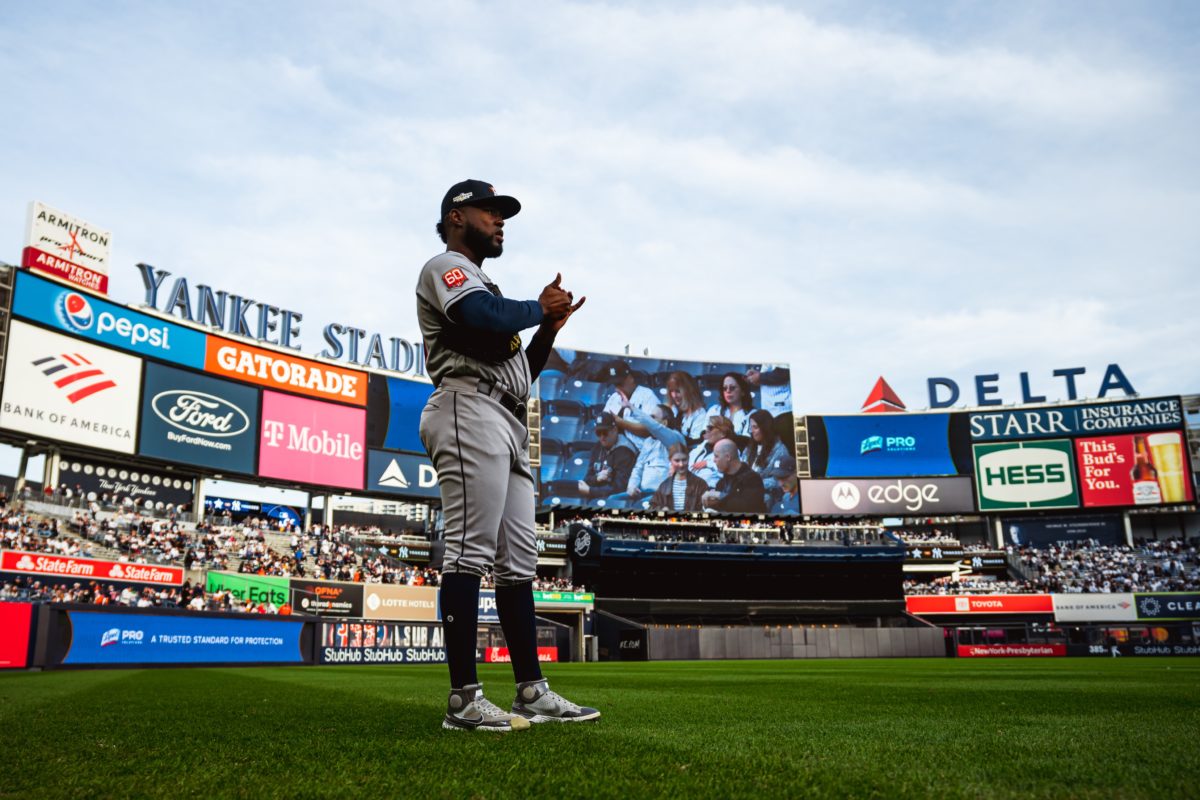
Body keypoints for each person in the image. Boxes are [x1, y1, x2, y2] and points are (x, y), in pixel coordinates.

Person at [416, 179, 598, 732]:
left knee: (519, 562)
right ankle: (463, 700)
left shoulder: (487, 287)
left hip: (507, 416)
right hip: (465, 407)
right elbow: (481, 316)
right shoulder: (445, 266)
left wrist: (546, 327)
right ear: (456, 216)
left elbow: (523, 368)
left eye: (502, 214)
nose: (499, 221)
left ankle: (530, 692)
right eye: (489, 211)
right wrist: (531, 307)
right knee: (470, 553)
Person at [577, 413, 636, 501]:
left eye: (605, 432)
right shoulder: (597, 447)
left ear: (615, 430)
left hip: (615, 501)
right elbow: (587, 479)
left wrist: (591, 491)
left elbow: (620, 488)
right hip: (598, 496)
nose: (601, 437)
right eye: (598, 433)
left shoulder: (625, 452)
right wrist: (596, 478)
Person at [702, 439, 767, 513]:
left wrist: (720, 496)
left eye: (716, 456)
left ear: (728, 457)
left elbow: (747, 506)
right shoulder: (721, 483)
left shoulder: (753, 479)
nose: (714, 460)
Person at [742, 409, 792, 505]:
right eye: (750, 427)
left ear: (765, 428)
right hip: (745, 489)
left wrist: (754, 483)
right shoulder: (750, 448)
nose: (751, 431)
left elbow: (779, 480)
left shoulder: (780, 450)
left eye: (755, 427)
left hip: (767, 494)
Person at [651, 445, 709, 512]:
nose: (681, 464)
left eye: (684, 460)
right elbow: (653, 506)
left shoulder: (700, 484)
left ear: (688, 458)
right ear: (670, 460)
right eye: (677, 461)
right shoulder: (664, 486)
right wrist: (661, 509)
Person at [689, 415, 735, 488]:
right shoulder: (701, 446)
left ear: (723, 433)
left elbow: (732, 473)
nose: (707, 430)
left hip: (711, 492)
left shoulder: (731, 451)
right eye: (707, 427)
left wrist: (708, 464)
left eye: (710, 428)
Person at [666, 371, 708, 444]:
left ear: (688, 391)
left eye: (677, 391)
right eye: (671, 391)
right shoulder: (671, 409)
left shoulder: (699, 413)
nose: (674, 395)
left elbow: (696, 443)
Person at [707, 372, 753, 438]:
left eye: (732, 388)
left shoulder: (752, 414)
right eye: (725, 388)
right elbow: (705, 437)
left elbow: (747, 441)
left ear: (743, 391)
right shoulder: (714, 410)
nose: (728, 391)